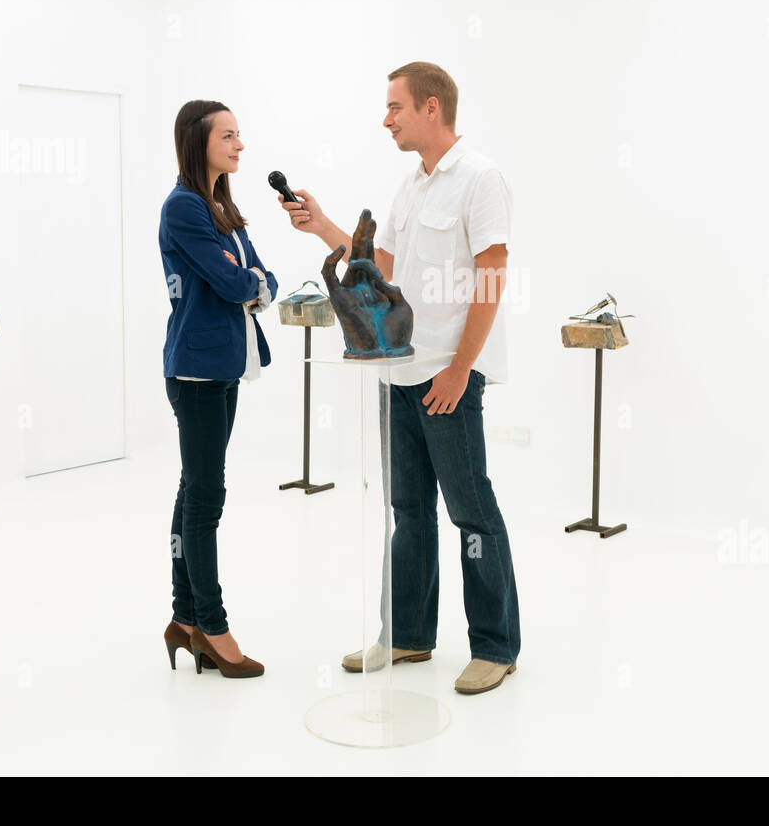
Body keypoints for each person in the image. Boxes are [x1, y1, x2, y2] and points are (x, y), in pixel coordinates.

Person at [279, 62, 520, 695]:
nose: (386, 119)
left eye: (395, 107)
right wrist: (323, 226)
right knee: (408, 512)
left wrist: (461, 370)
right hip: (399, 375)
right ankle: (408, 636)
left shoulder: (480, 178)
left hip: (447, 378)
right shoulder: (410, 186)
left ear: (431, 107)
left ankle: (496, 647)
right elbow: (378, 266)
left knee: (471, 512)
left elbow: (493, 278)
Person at [159, 99, 278, 679]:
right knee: (206, 498)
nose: (239, 145)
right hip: (197, 371)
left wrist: (249, 279)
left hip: (225, 365)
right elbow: (236, 283)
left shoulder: (222, 206)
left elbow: (264, 279)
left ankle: (184, 619)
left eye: (238, 135)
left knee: (194, 489)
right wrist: (246, 280)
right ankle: (211, 625)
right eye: (227, 136)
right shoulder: (184, 206)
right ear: (197, 141)